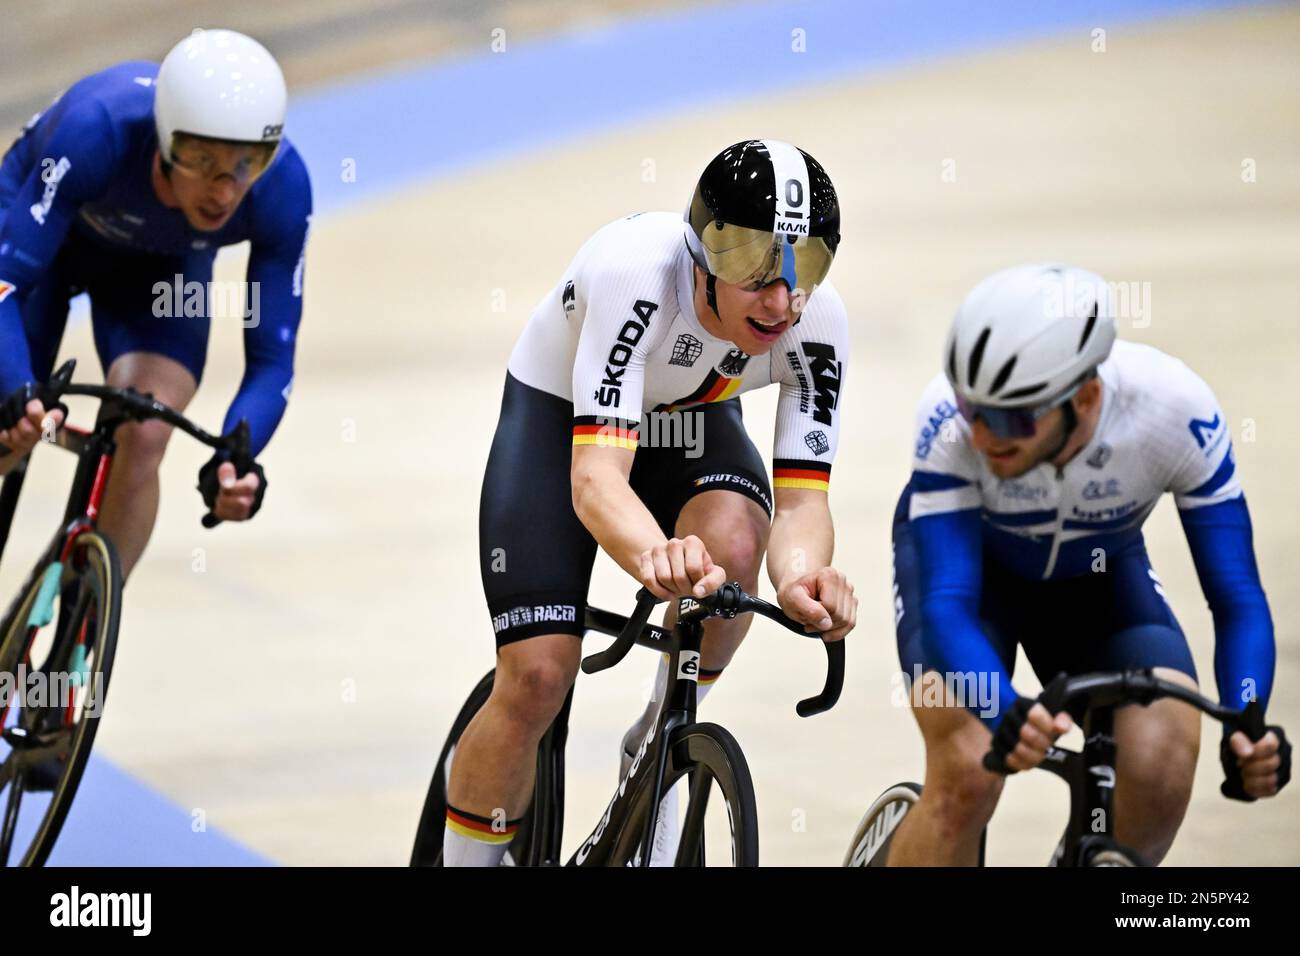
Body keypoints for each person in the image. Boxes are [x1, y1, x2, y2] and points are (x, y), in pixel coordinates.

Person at [443, 139, 859, 865]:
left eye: (807, 266)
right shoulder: (636, 274)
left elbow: (801, 505)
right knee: (538, 676)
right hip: (561, 416)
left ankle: (660, 728)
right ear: (706, 257)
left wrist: (801, 578)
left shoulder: (818, 327)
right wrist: (652, 553)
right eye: (758, 267)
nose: (783, 298)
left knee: (733, 554)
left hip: (693, 422)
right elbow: (597, 479)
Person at [888, 263, 1289, 865]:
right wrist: (1002, 710)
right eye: (975, 412)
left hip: (1097, 579)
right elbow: (946, 604)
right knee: (969, 772)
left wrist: (1248, 717)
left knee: (1162, 761)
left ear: (1087, 398)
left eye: (1012, 419)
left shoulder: (1173, 411)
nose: (983, 436)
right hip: (972, 584)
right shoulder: (947, 421)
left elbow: (1237, 599)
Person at [0, 28, 312, 575]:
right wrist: (15, 389)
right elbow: (5, 283)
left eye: (247, 163)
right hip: (44, 244)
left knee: (145, 433)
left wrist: (236, 458)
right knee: (5, 426)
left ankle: (83, 622)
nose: (223, 191)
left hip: (164, 267)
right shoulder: (99, 130)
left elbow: (271, 360)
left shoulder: (283, 188)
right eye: (201, 159)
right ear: (167, 141)